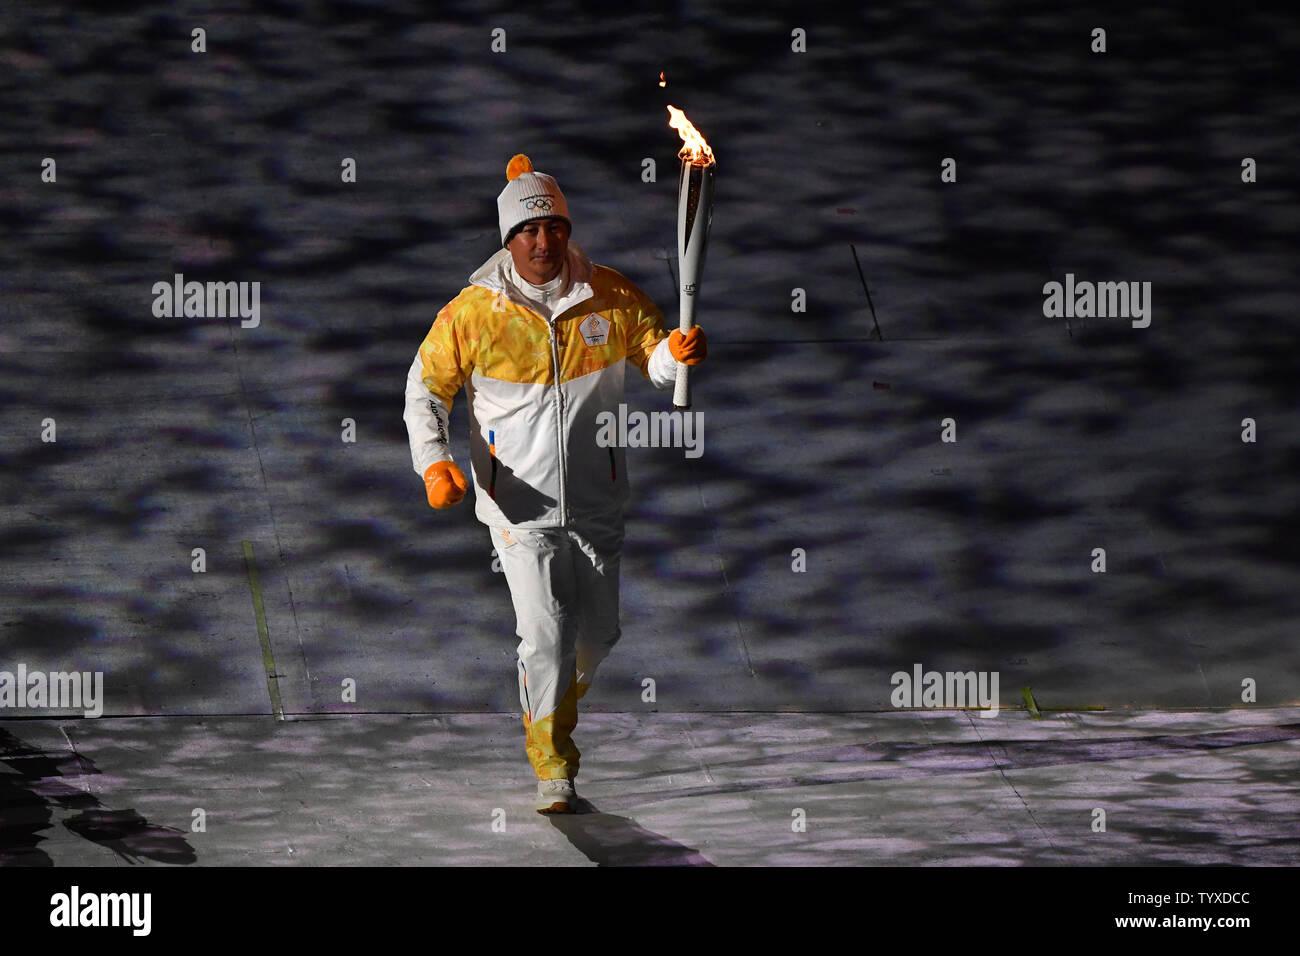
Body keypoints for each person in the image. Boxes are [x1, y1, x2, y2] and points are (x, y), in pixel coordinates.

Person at [403, 154, 707, 813]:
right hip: (519, 505)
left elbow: (651, 355)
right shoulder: (473, 314)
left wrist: (671, 356)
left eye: (555, 229)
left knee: (598, 636)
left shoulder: (610, 295)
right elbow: (424, 392)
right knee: (545, 634)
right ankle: (553, 762)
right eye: (529, 232)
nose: (544, 243)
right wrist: (435, 462)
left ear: (567, 231)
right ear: (508, 239)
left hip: (598, 496)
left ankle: (550, 707)